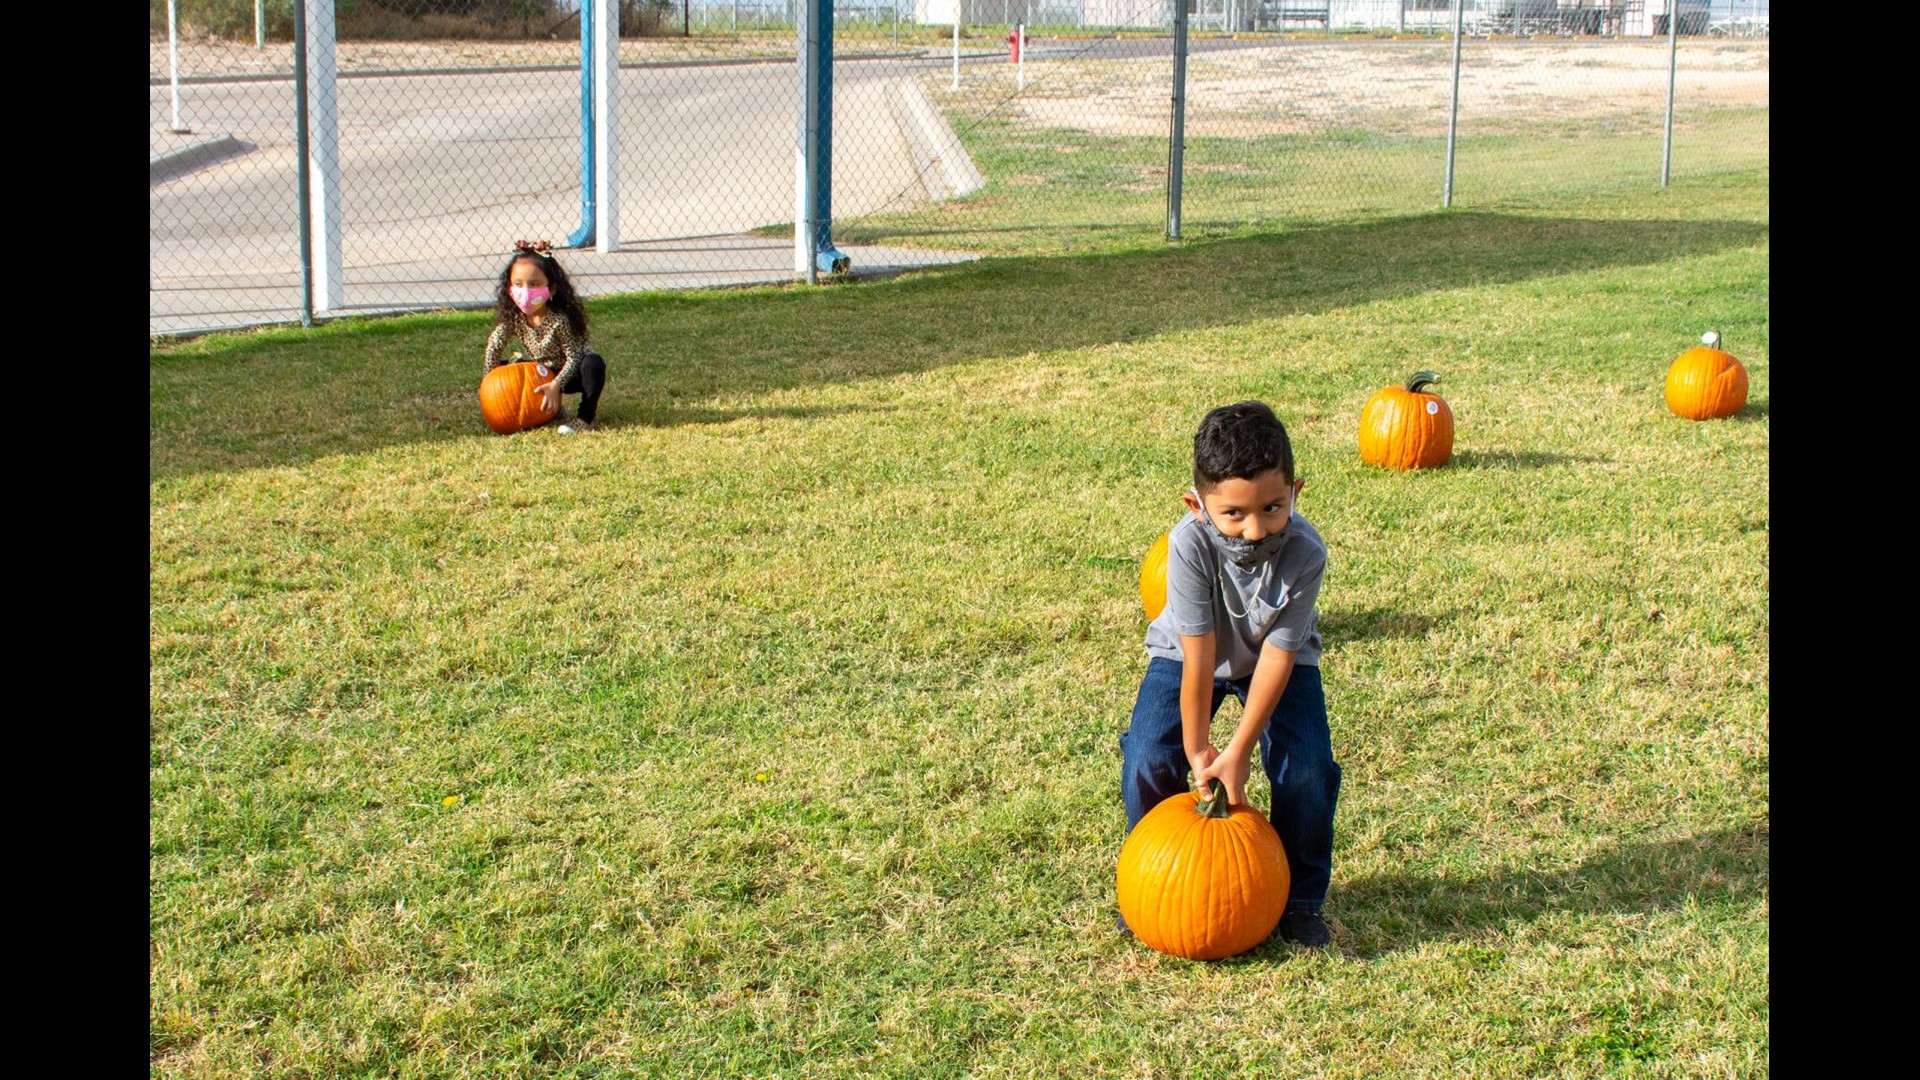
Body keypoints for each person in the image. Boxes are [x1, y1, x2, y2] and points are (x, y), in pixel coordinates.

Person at [1120, 401, 1340, 948]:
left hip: (1272, 659)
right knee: (1148, 752)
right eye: (1234, 514)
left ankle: (1301, 901)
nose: (1254, 529)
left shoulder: (1307, 554)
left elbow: (1278, 659)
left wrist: (1238, 752)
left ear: (1296, 493)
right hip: (1192, 655)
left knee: (1308, 768)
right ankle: (1147, 884)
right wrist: (1200, 750)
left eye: (1272, 507)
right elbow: (1198, 657)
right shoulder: (1189, 545)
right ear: (1198, 506)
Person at [482, 240, 607, 435]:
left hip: (571, 373)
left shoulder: (559, 320)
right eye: (518, 284)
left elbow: (573, 357)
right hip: (541, 371)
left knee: (593, 364)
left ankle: (584, 419)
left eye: (534, 285)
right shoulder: (515, 318)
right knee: (505, 370)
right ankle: (552, 410)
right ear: (509, 287)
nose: (525, 292)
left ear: (552, 288)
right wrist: (488, 384)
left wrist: (556, 385)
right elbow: (495, 344)